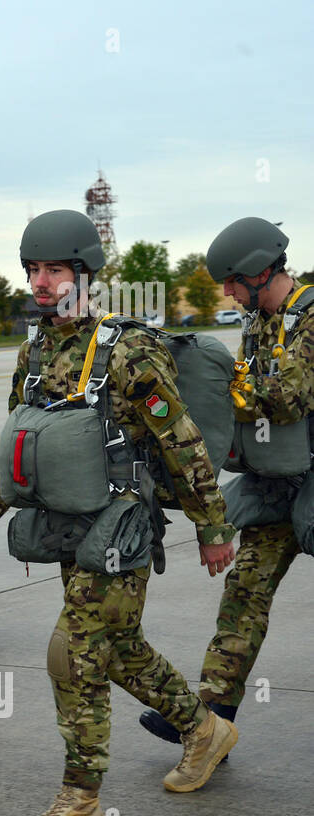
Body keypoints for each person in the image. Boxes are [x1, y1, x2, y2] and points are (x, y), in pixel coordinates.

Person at [0, 209, 238, 816]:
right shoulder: (36, 348)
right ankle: (204, 729)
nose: (39, 281)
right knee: (118, 648)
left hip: (119, 529)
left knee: (75, 653)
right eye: (32, 268)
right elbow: (20, 439)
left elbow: (181, 440)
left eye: (54, 269)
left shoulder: (128, 348)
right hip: (64, 525)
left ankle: (82, 799)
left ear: (86, 274)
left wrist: (212, 525)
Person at [140, 217, 314, 746]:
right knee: (245, 590)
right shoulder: (258, 322)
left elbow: (290, 398)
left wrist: (226, 390)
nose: (226, 292)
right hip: (278, 482)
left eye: (233, 281)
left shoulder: (310, 320)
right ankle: (212, 718)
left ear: (262, 271)